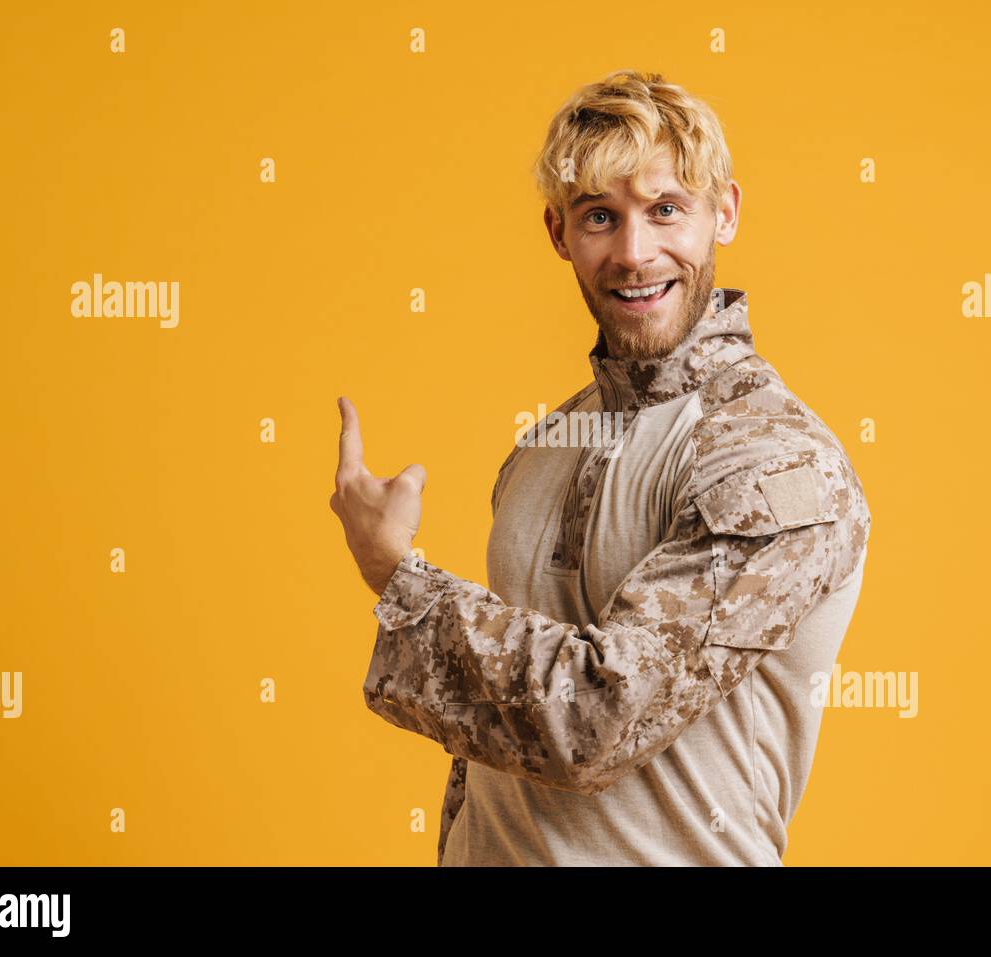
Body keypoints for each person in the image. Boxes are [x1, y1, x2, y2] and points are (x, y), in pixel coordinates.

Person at [329, 69, 872, 866]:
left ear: (723, 212)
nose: (633, 252)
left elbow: (595, 717)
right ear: (559, 233)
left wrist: (396, 576)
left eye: (665, 210)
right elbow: (491, 748)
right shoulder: (543, 445)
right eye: (599, 217)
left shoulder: (776, 464)